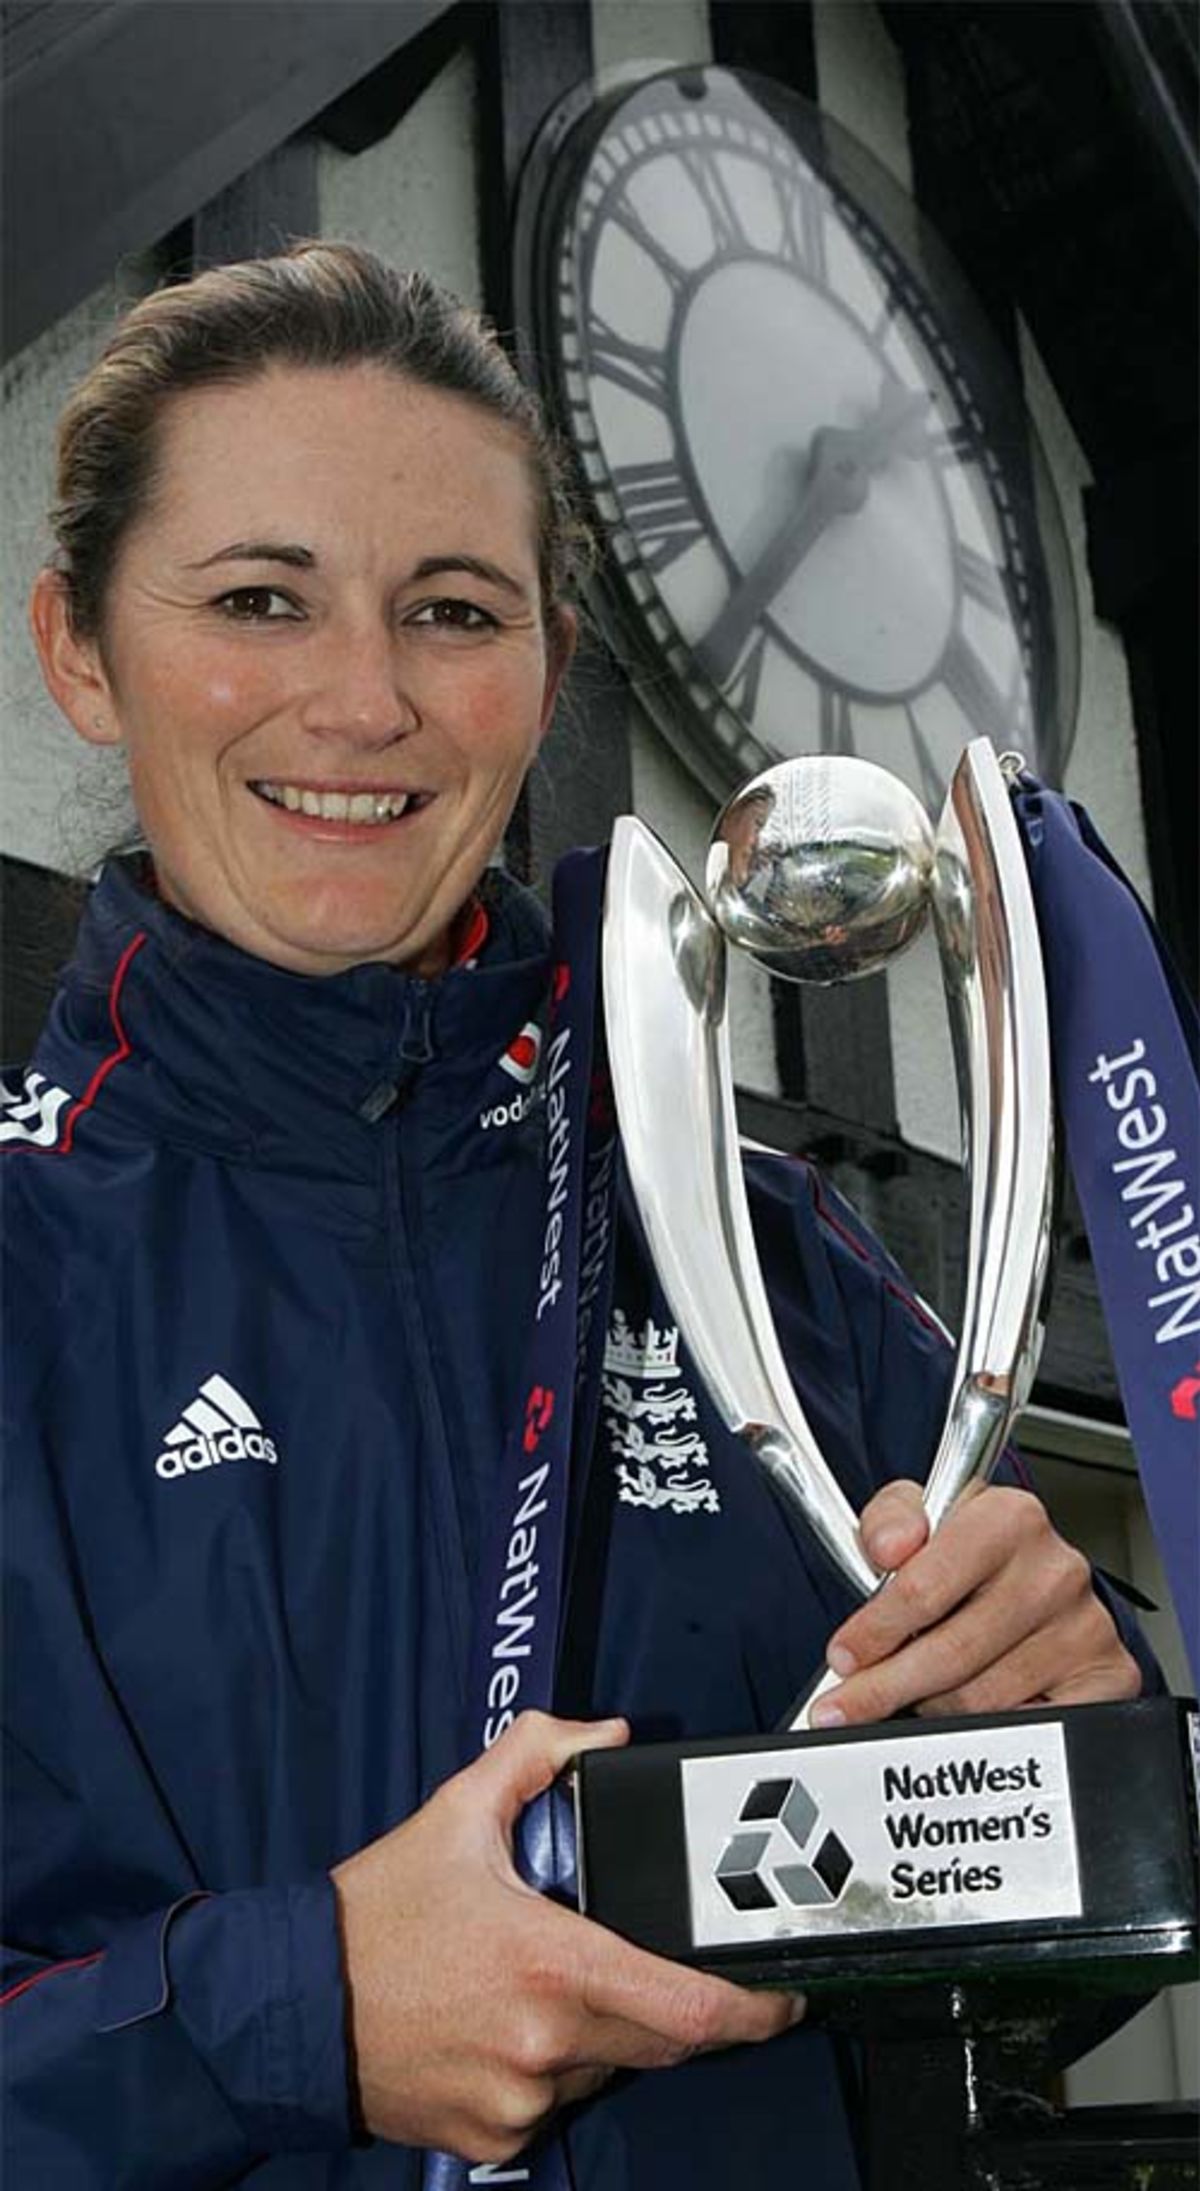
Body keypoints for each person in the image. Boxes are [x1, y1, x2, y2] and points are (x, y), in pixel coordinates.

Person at [2, 242, 1150, 2189]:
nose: (361, 699)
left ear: (543, 675)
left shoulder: (761, 1256)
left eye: (452, 611)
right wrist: (307, 2005)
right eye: (261, 598)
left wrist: (1077, 1724)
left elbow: (1009, 1982)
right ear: (82, 653)